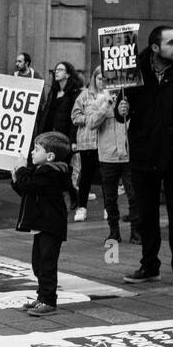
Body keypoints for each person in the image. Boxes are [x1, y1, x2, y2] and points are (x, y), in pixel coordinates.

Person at [117, 25, 173, 288]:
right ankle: (149, 265)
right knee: (146, 214)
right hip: (143, 152)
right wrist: (121, 109)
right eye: (171, 43)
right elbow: (123, 110)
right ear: (155, 47)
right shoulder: (135, 71)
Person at [12, 131, 73, 316]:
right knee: (38, 263)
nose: (32, 152)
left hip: (50, 225)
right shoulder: (42, 172)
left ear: (50, 156)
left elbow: (31, 185)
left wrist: (21, 171)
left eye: (36, 149)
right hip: (43, 224)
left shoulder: (51, 173)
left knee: (46, 263)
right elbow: (27, 189)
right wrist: (16, 178)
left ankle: (48, 300)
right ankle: (42, 297)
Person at [72, 67, 129, 238]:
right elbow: (87, 121)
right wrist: (106, 106)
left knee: (130, 193)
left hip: (122, 152)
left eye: (107, 78)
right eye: (99, 79)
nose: (103, 82)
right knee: (90, 178)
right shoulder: (90, 98)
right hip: (96, 148)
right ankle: (110, 229)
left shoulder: (125, 97)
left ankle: (135, 231)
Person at [34, 61, 84, 210]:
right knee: (52, 168)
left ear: (68, 74)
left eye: (60, 70)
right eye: (56, 70)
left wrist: (73, 140)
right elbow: (47, 114)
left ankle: (71, 195)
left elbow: (74, 119)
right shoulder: (54, 91)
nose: (56, 72)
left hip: (64, 138)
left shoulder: (74, 93)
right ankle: (63, 196)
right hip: (50, 136)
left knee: (62, 168)